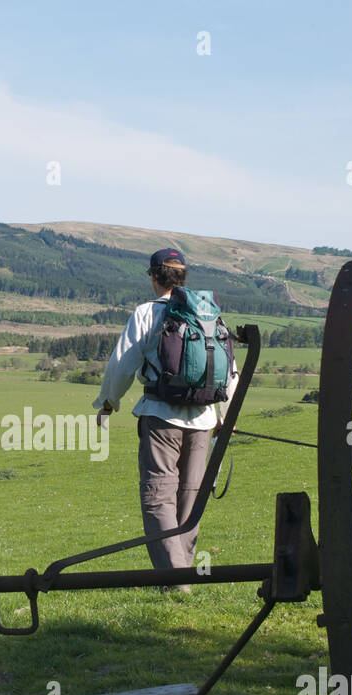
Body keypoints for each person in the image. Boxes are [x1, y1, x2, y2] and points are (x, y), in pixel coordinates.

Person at [92, 248, 238, 591]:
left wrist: (107, 403)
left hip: (161, 416)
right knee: (190, 497)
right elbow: (228, 370)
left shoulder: (147, 313)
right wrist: (224, 416)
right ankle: (183, 576)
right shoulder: (209, 314)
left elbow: (121, 364)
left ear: (154, 276)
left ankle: (175, 582)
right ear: (182, 276)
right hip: (204, 418)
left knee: (158, 497)